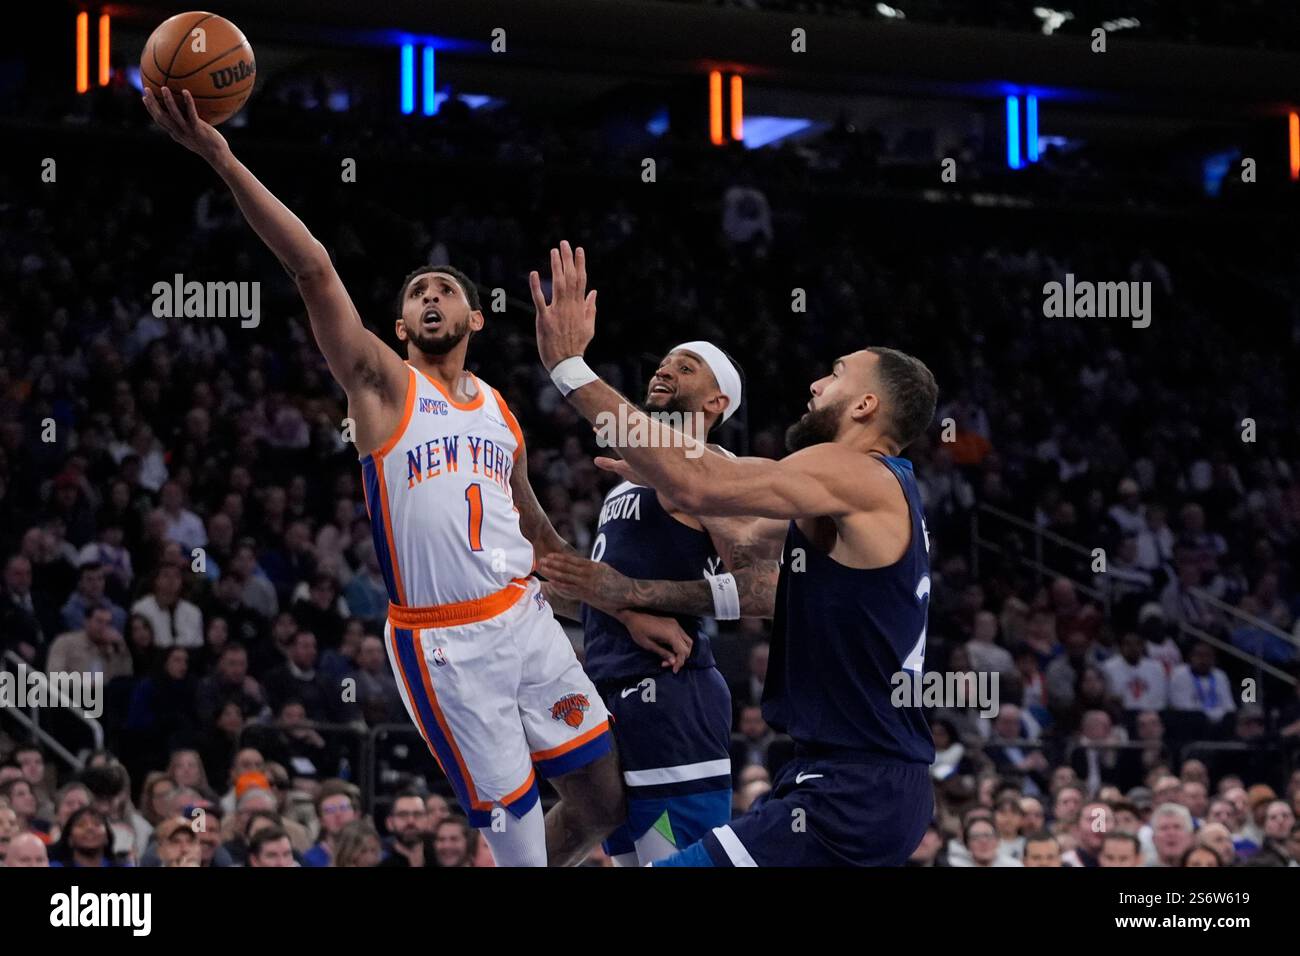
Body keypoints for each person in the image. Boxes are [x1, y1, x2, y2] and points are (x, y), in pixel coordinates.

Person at [142, 88, 648, 867]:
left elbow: (539, 533)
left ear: (477, 320)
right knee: (516, 851)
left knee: (606, 800)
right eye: (418, 294)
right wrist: (223, 158)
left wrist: (625, 608)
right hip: (446, 646)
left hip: (528, 618)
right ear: (402, 325)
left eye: (447, 289)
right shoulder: (382, 386)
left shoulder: (500, 411)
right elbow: (312, 269)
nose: (431, 296)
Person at [531, 241, 938, 866]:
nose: (815, 382)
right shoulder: (860, 500)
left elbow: (705, 486)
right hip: (843, 778)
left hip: (853, 786)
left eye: (835, 373)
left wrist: (568, 368)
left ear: (865, 406)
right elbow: (736, 525)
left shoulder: (858, 473)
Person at [538, 342, 779, 865]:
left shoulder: (713, 469)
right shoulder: (633, 477)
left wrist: (633, 596)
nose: (666, 369)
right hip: (610, 687)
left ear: (716, 402)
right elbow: (605, 596)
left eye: (686, 367)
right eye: (665, 361)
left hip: (672, 693)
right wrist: (604, 602)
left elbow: (765, 590)